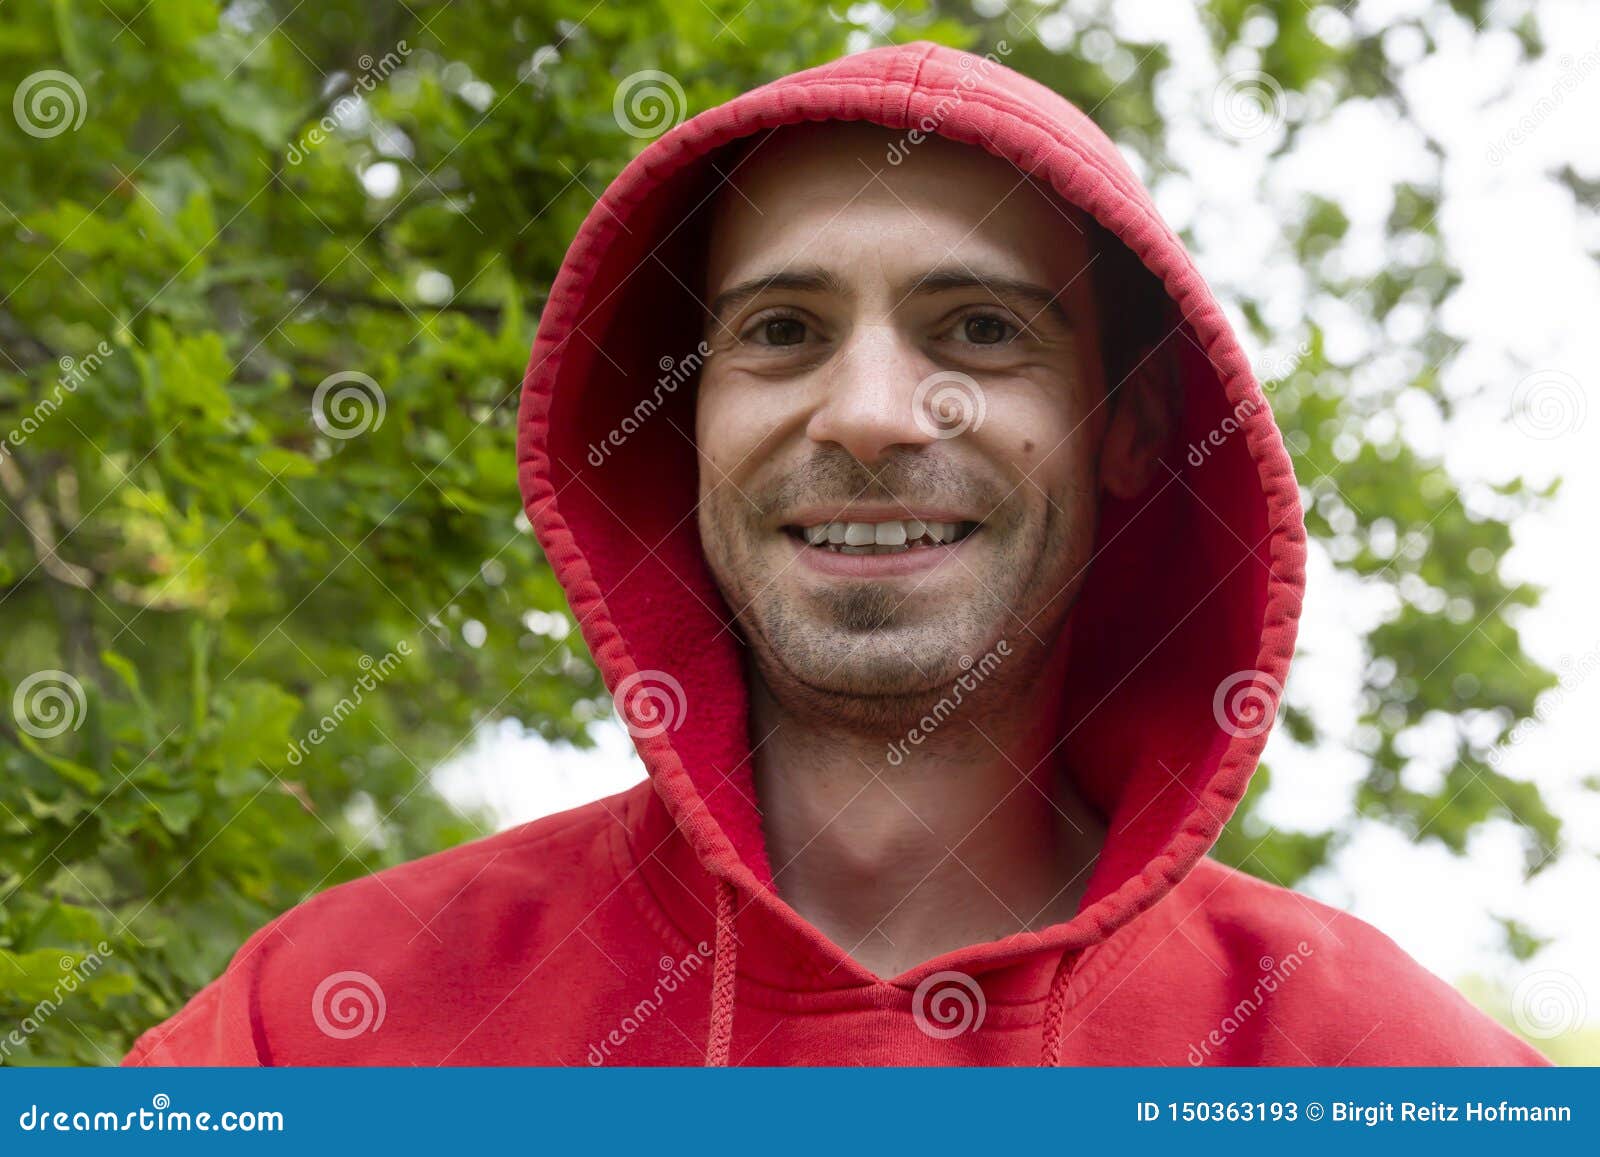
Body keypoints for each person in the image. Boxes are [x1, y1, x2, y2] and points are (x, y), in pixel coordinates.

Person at [125, 41, 1547, 1066]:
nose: (869, 415)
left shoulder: (1391, 1075)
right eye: (783, 331)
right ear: (685, 425)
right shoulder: (319, 1029)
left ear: (1131, 429)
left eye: (979, 329)